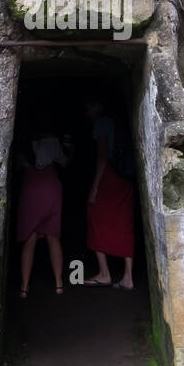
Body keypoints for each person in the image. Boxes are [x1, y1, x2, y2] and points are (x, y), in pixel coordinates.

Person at [83, 95, 135, 289]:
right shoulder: (121, 122)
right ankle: (128, 277)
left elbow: (102, 158)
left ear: (98, 106)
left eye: (88, 107)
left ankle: (105, 273)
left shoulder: (101, 124)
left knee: (95, 218)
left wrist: (95, 187)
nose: (86, 112)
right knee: (125, 222)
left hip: (110, 177)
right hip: (126, 177)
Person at [16, 128, 67, 298]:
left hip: (31, 186)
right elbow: (64, 162)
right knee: (53, 236)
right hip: (51, 186)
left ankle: (24, 287)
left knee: (30, 237)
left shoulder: (23, 139)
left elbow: (17, 164)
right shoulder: (52, 140)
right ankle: (59, 284)